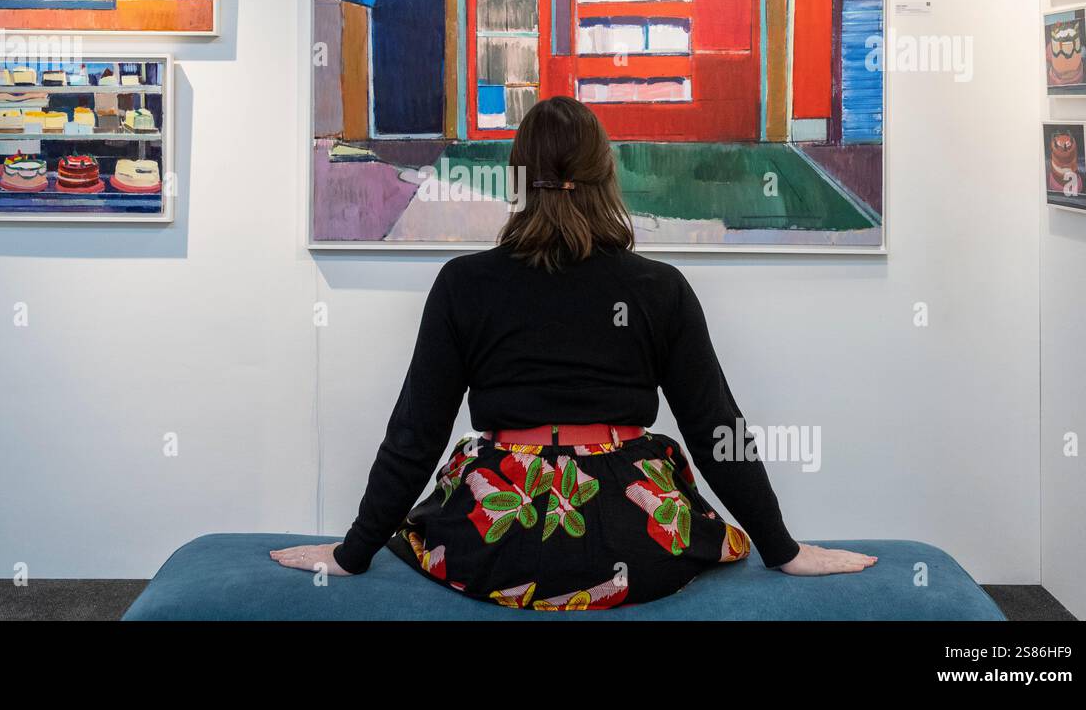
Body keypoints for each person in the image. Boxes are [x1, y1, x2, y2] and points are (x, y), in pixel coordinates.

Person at [274, 96, 875, 609]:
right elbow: (717, 427)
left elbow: (416, 431)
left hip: (499, 534)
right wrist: (781, 548)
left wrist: (353, 552)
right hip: (636, 535)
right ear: (606, 175)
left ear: (515, 178)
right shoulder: (658, 288)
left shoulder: (464, 284)